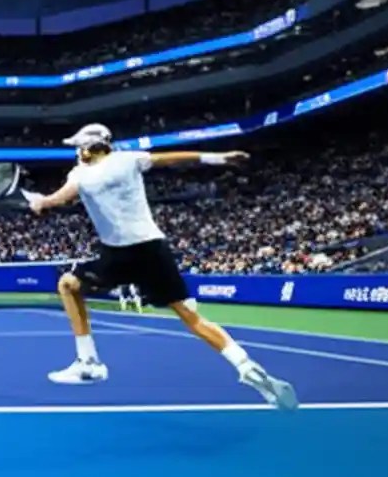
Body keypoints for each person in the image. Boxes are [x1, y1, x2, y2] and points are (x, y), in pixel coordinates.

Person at [23, 123, 297, 410]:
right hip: (153, 248)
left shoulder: (80, 174)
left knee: (68, 284)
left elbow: (57, 199)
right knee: (190, 317)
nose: (77, 152)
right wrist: (219, 158)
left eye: (80, 146)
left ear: (93, 147)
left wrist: (40, 202)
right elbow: (173, 158)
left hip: (118, 255)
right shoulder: (130, 160)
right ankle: (244, 364)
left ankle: (89, 362)